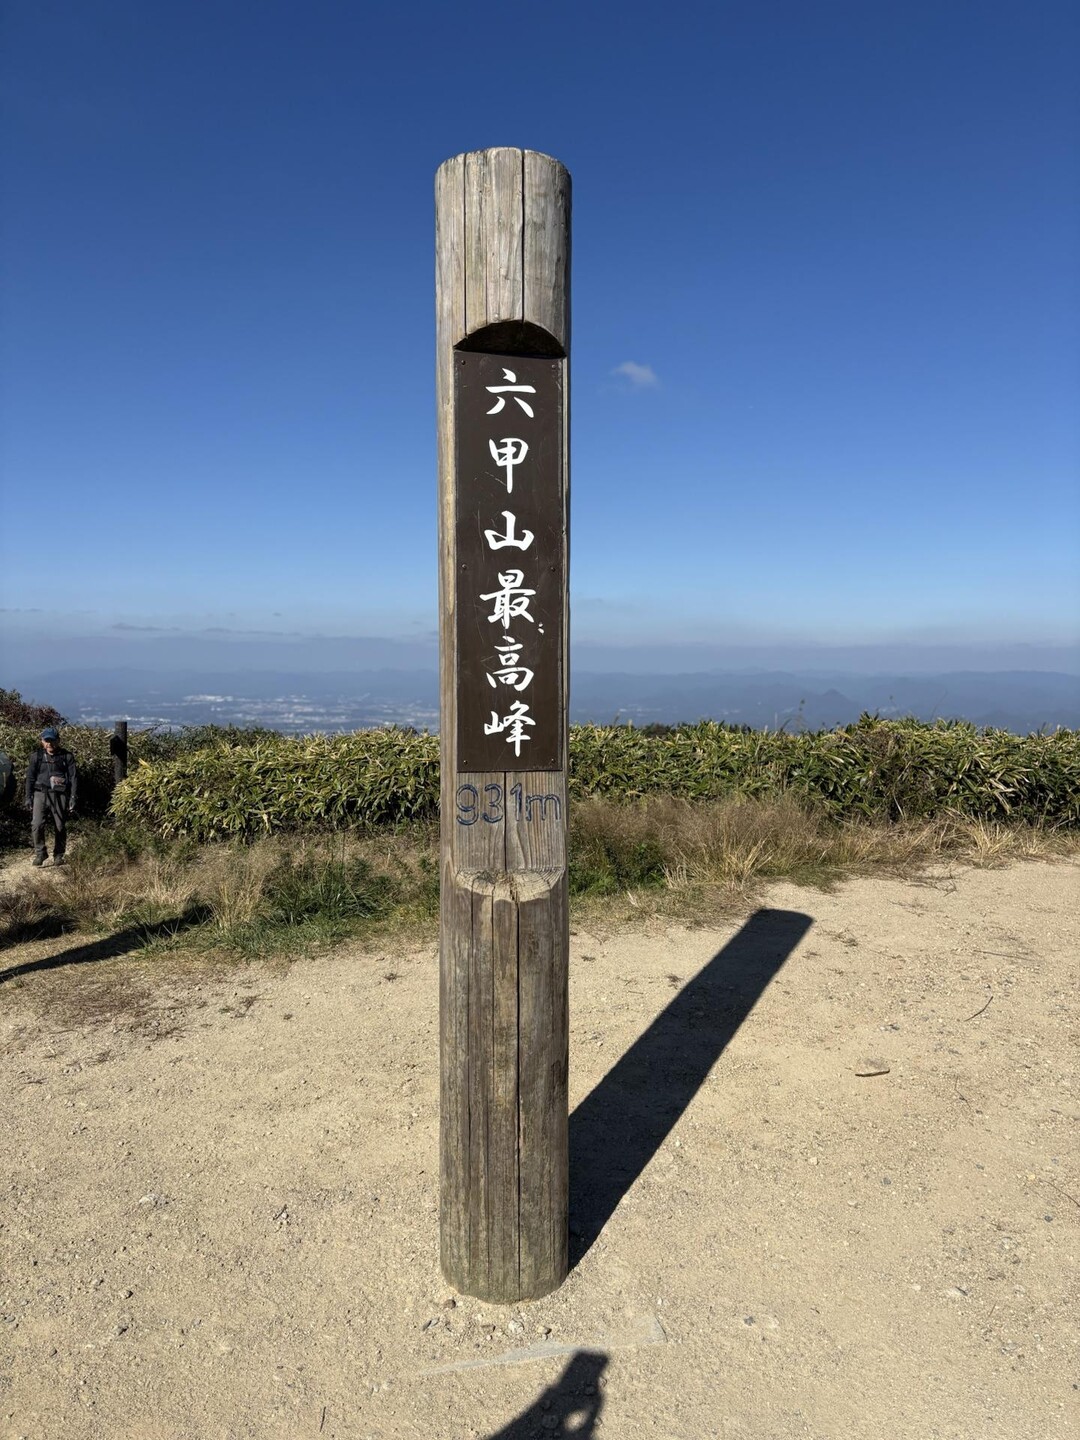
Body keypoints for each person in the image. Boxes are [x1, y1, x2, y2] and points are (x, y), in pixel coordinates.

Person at [25, 726, 77, 866]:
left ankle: (59, 855)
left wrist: (72, 797)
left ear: (58, 741)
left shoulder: (67, 756)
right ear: (42, 741)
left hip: (59, 794)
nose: (50, 744)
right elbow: (30, 777)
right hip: (40, 793)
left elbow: (73, 778)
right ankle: (40, 853)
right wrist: (28, 797)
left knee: (60, 825)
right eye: (46, 741)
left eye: (52, 740)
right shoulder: (36, 757)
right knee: (36, 825)